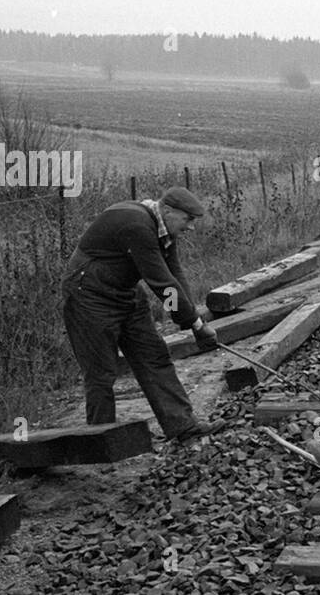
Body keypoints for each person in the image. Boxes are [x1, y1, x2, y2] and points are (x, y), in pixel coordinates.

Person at [61, 186, 225, 442]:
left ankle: (182, 426)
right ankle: (101, 440)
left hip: (125, 291)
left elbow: (173, 277)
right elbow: (159, 282)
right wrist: (195, 324)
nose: (191, 227)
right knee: (101, 371)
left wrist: (190, 319)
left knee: (154, 355)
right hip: (89, 295)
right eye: (188, 220)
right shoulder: (137, 226)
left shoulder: (164, 230)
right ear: (168, 211)